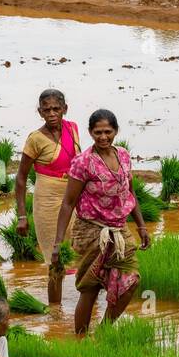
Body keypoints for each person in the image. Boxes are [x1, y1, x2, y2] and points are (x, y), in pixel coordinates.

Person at [50, 109, 151, 335]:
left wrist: (141, 227)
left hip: (119, 229)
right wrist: (57, 243)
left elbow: (130, 194)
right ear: (90, 132)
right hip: (91, 231)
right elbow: (68, 203)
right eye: (98, 132)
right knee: (90, 288)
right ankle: (81, 340)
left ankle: (104, 331)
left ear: (115, 131)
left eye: (107, 132)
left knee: (131, 280)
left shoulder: (123, 155)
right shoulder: (83, 162)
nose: (103, 137)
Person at [16, 89, 81, 305]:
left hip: (74, 197)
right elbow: (21, 178)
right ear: (40, 112)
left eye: (56, 109)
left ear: (65, 109)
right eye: (47, 110)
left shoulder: (72, 129)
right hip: (48, 200)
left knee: (85, 250)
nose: (52, 113)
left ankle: (86, 301)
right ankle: (55, 311)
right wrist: (22, 217)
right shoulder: (35, 139)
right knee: (56, 258)